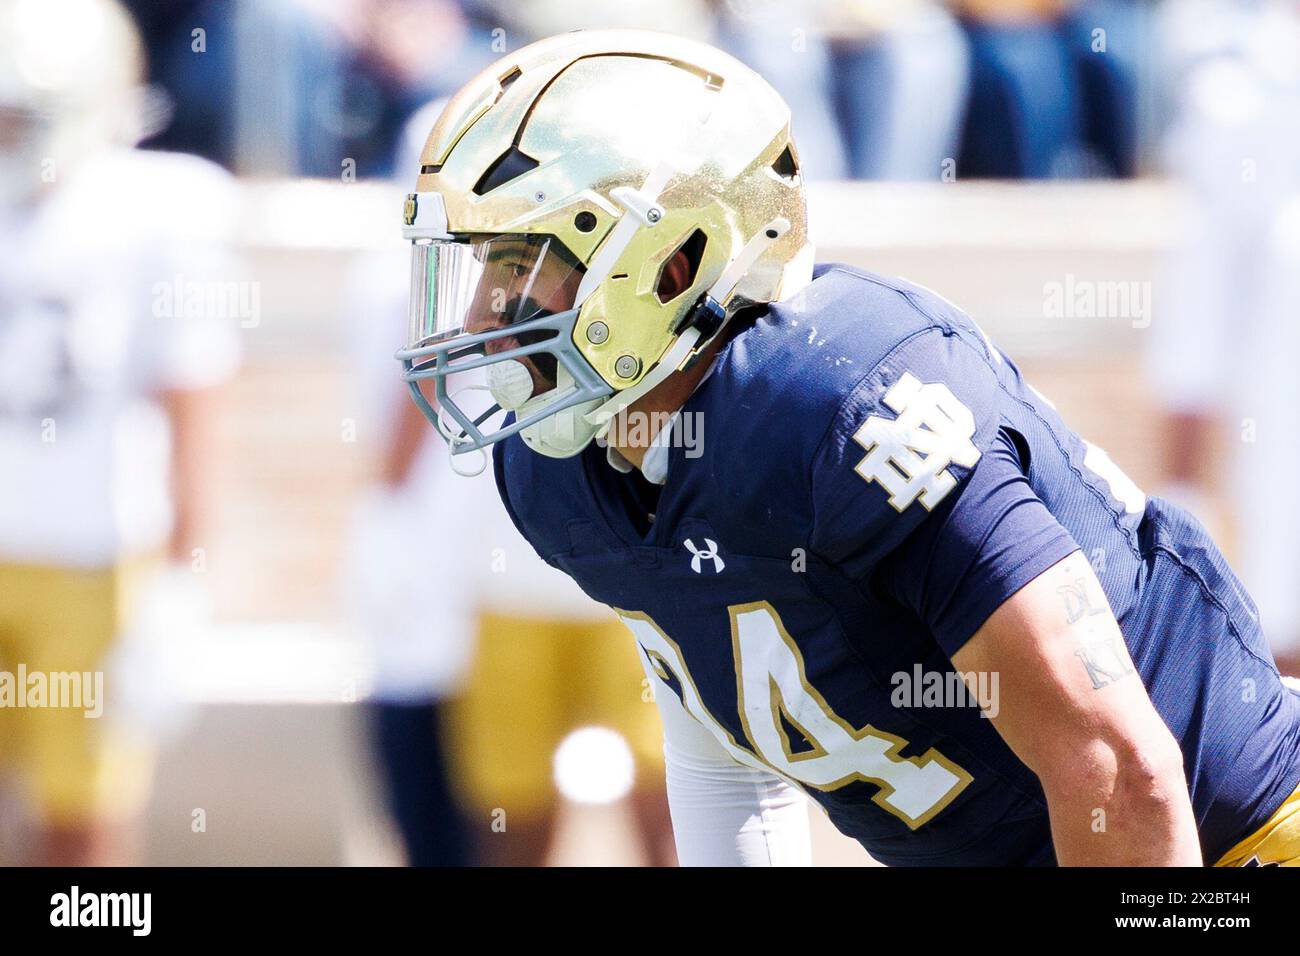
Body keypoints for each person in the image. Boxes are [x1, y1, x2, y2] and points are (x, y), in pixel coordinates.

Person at [393, 30, 1300, 865]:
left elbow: (1114, 765)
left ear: (666, 266)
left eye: (519, 267)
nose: (482, 320)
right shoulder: (572, 469)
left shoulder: (844, 399)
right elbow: (722, 749)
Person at [0, 0, 239, 864]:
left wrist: (182, 579)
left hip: (90, 560)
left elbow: (192, 404)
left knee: (83, 817)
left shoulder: (159, 207)